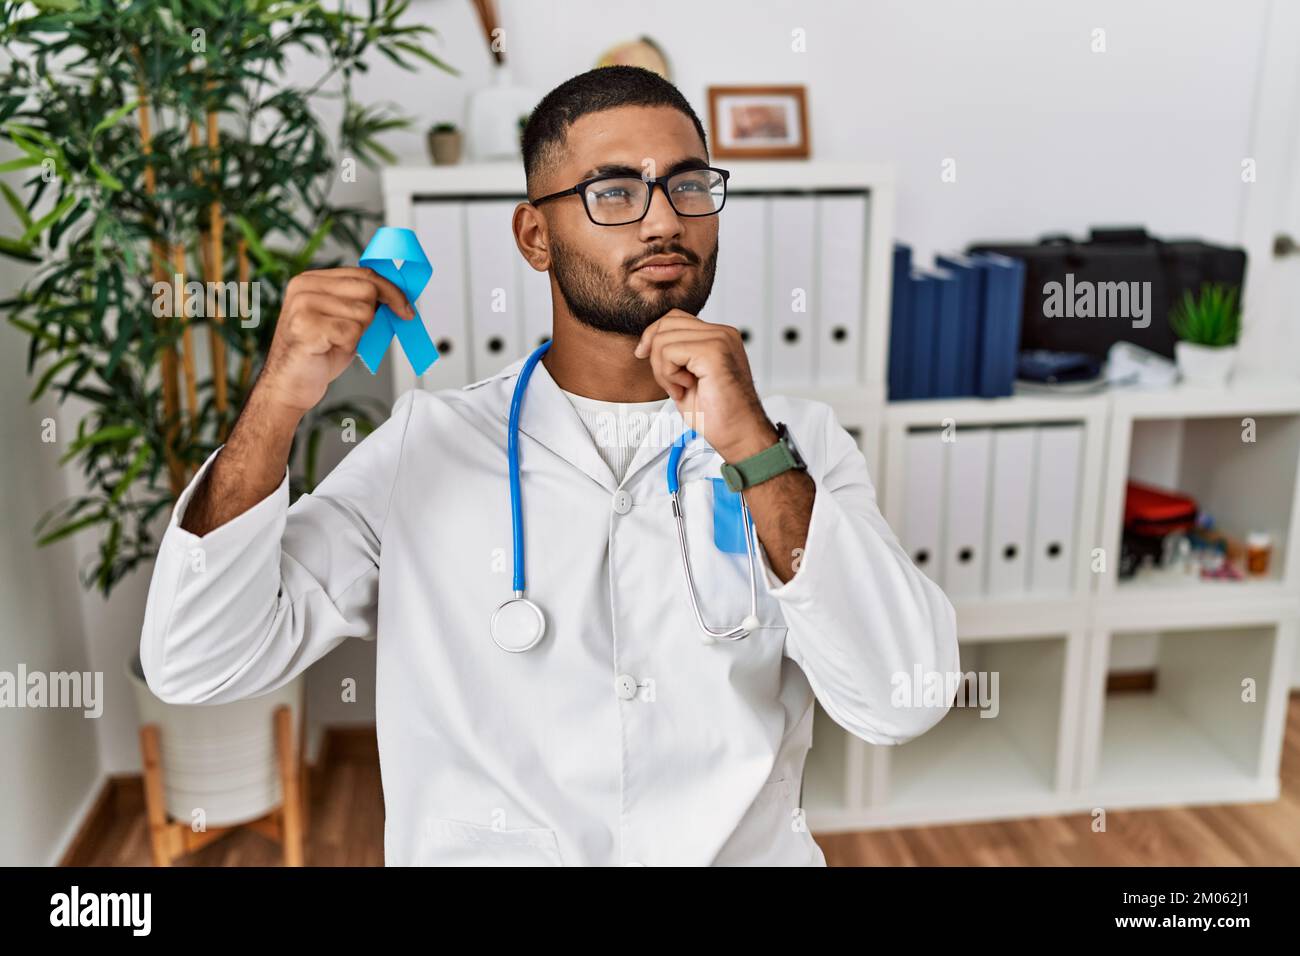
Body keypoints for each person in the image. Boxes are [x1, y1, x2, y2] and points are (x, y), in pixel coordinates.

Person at [139, 65, 958, 866]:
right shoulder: (426, 446)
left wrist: (753, 447)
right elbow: (198, 659)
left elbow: (903, 699)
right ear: (536, 235)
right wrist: (278, 399)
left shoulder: (797, 442)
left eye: (688, 185)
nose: (663, 221)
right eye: (613, 193)